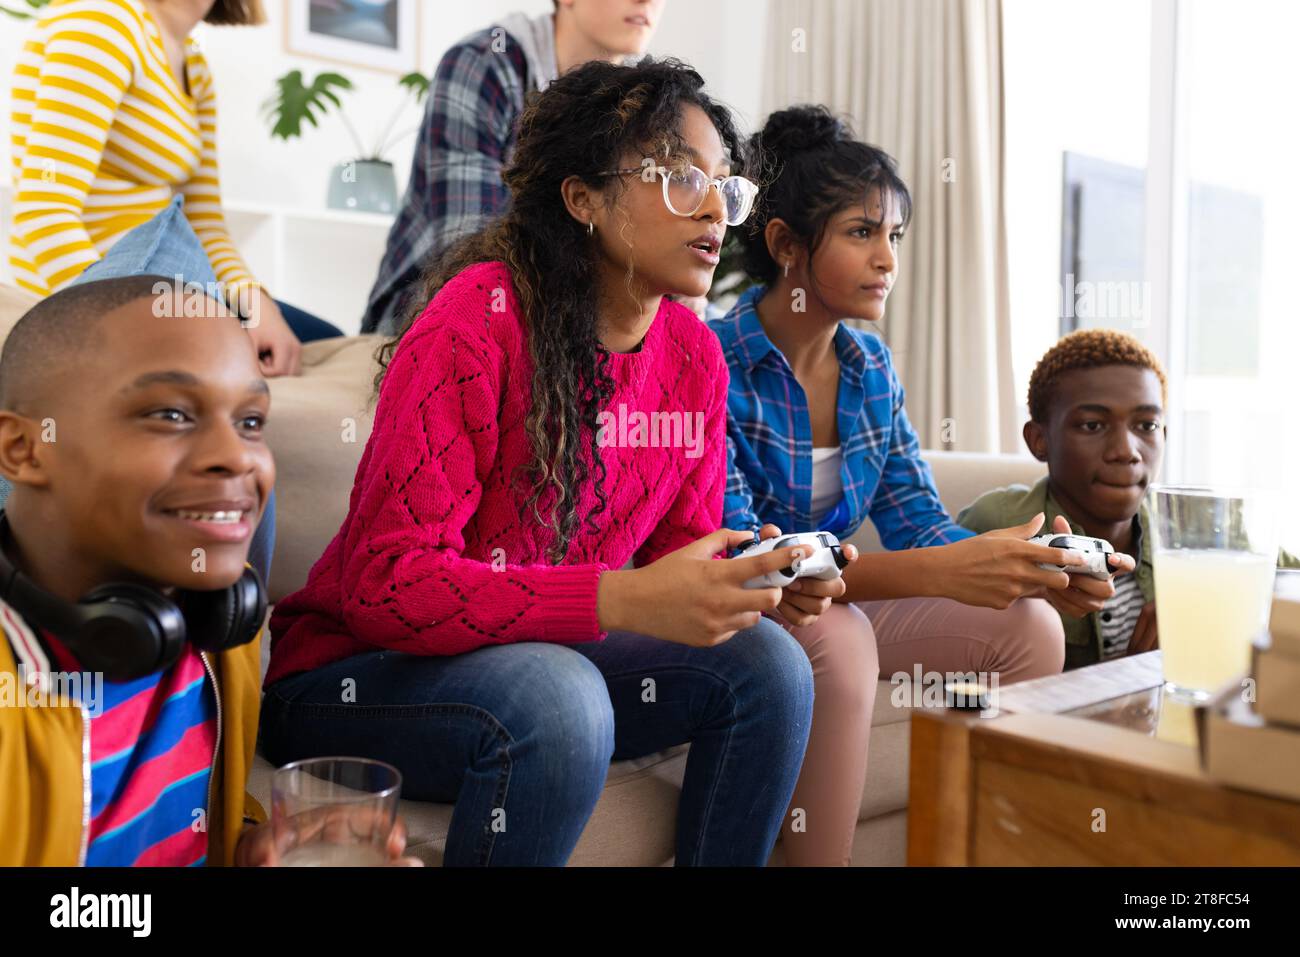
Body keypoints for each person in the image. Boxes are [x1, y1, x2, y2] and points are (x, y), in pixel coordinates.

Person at [263, 58, 824, 867]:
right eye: (677, 175)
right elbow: (390, 584)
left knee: (769, 665)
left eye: (724, 187)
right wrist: (618, 594)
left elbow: (677, 549)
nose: (712, 207)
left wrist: (748, 574)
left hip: (542, 658)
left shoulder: (694, 356)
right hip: (357, 674)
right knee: (559, 698)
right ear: (582, 197)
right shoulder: (477, 321)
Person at [712, 105, 1135, 866]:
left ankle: (976, 852)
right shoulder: (714, 362)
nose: (887, 260)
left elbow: (921, 528)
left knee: (1030, 625)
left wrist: (1032, 561)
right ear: (785, 245)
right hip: (751, 608)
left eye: (894, 237)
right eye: (861, 233)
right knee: (837, 639)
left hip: (834, 598)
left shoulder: (871, 371)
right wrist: (949, 569)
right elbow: (753, 559)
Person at [0, 274, 414, 865]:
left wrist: (248, 849)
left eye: (250, 422)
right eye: (170, 414)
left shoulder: (215, 633)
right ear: (25, 448)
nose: (238, 456)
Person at [8, 0, 341, 377]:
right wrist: (118, 328)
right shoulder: (98, 22)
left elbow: (205, 225)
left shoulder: (192, 63)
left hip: (172, 285)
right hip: (99, 290)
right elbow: (44, 211)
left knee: (323, 340)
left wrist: (256, 303)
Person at [957, 327, 1300, 668]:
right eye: (1093, 425)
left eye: (1147, 426)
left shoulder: (1208, 527)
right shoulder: (998, 525)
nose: (1126, 451)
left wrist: (1220, 607)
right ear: (1039, 440)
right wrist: (1134, 673)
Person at [360, 0, 665, 335]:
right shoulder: (483, 64)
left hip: (567, 319)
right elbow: (468, 256)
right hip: (431, 312)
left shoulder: (644, 103)